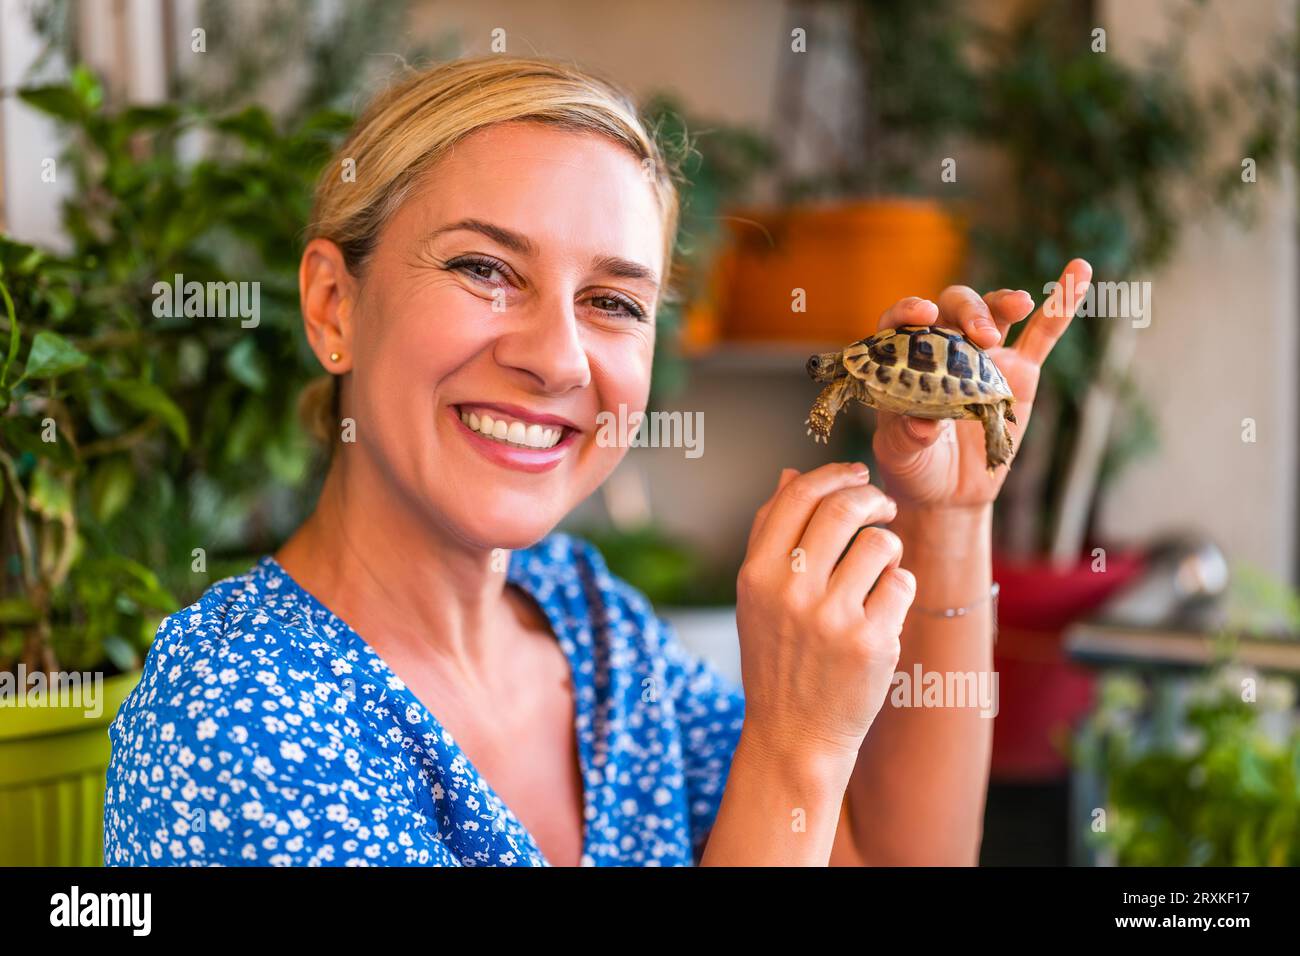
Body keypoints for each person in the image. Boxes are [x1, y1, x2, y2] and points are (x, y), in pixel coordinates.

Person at [103, 55, 1091, 866]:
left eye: (613, 300)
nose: (557, 356)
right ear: (333, 306)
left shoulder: (594, 626)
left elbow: (883, 856)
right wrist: (791, 749)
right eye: (484, 268)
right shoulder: (235, 718)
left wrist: (950, 519)